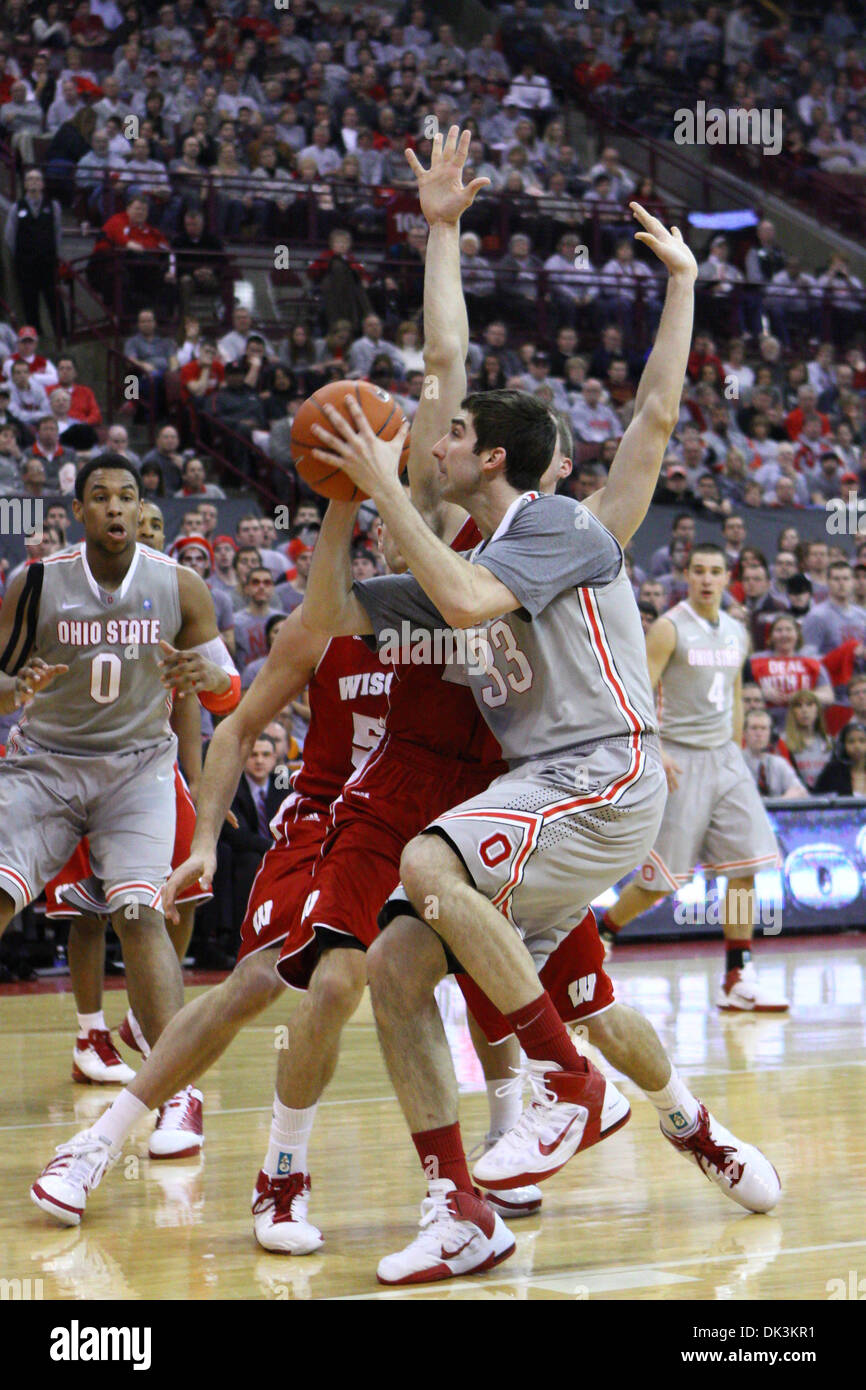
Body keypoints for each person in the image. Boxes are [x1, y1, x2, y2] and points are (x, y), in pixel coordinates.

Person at [299, 129, 780, 1284]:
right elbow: (444, 361)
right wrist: (441, 231)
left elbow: (643, 432)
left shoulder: (551, 527)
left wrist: (681, 288)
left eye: (451, 435)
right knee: (404, 971)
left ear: (494, 458)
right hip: (527, 800)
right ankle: (494, 1190)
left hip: (598, 776)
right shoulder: (435, 525)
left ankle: (568, 1086)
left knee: (433, 876)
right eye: (431, 430)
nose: (434, 435)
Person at [0, 456, 239, 1222]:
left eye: (127, 496)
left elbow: (230, 690)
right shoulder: (32, 583)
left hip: (137, 770)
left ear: (143, 510)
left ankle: (176, 1092)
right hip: (42, 767)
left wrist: (197, 679)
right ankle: (96, 1036)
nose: (115, 506)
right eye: (99, 495)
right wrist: (18, 687)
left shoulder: (180, 585)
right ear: (75, 510)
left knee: (141, 911)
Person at [42, 502, 218, 1105]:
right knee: (87, 911)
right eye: (134, 528)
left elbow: (192, 699)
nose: (143, 537)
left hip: (154, 767)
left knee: (184, 893)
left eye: (153, 528)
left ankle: (147, 1018)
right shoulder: (74, 601)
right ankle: (91, 1034)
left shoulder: (175, 600)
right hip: (84, 764)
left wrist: (196, 783)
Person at [598, 544, 788, 1013]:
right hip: (679, 757)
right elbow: (636, 689)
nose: (707, 579)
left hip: (725, 758)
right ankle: (603, 933)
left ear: (728, 578)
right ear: (687, 576)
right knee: (662, 881)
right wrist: (653, 749)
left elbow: (739, 697)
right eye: (698, 571)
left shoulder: (737, 631)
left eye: (716, 572)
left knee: (744, 867)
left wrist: (739, 749)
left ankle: (737, 975)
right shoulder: (668, 628)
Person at [3, 168, 65, 338]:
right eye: (30, 179)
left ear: (43, 184)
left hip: (48, 262)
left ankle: (62, 335)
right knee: (30, 303)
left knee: (54, 300)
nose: (34, 182)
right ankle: (38, 338)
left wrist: (53, 254)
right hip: (26, 265)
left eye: (37, 179)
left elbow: (57, 232)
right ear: (24, 184)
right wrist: (22, 256)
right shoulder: (17, 207)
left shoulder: (53, 206)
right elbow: (9, 237)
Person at [741, 709, 808, 799]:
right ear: (744, 733)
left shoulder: (779, 763)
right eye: (754, 728)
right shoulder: (736, 763)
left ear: (770, 734)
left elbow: (800, 791)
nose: (759, 733)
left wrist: (780, 802)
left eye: (763, 728)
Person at [776, 690, 833, 790]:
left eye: (809, 704)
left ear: (817, 710)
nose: (804, 710)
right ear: (792, 711)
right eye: (798, 705)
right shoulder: (782, 742)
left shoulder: (829, 742)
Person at [814, 720, 866, 794]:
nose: (857, 746)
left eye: (862, 741)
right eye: (851, 741)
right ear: (843, 745)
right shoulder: (832, 772)